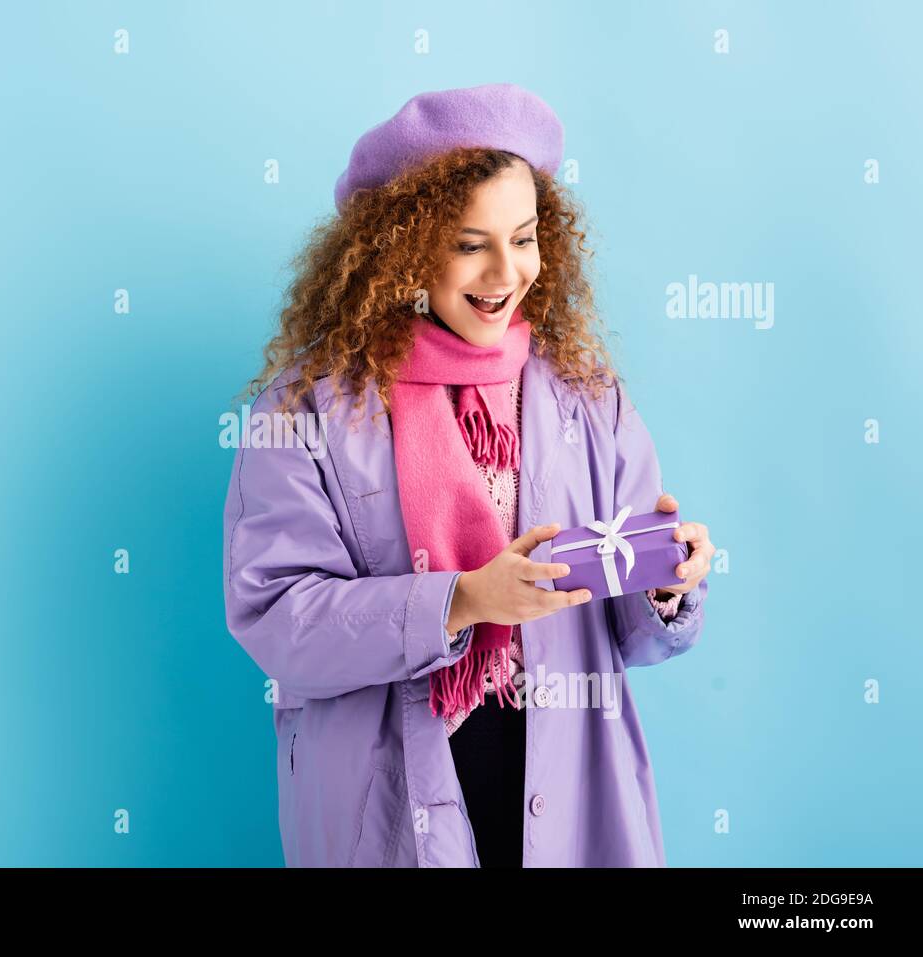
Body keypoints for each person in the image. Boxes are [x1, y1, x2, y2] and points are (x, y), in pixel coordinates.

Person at [222, 83, 712, 867]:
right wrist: (464, 600)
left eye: (523, 238)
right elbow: (279, 619)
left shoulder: (583, 391)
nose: (504, 271)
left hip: (567, 775)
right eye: (468, 243)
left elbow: (627, 628)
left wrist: (666, 582)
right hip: (385, 791)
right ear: (405, 247)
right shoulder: (310, 410)